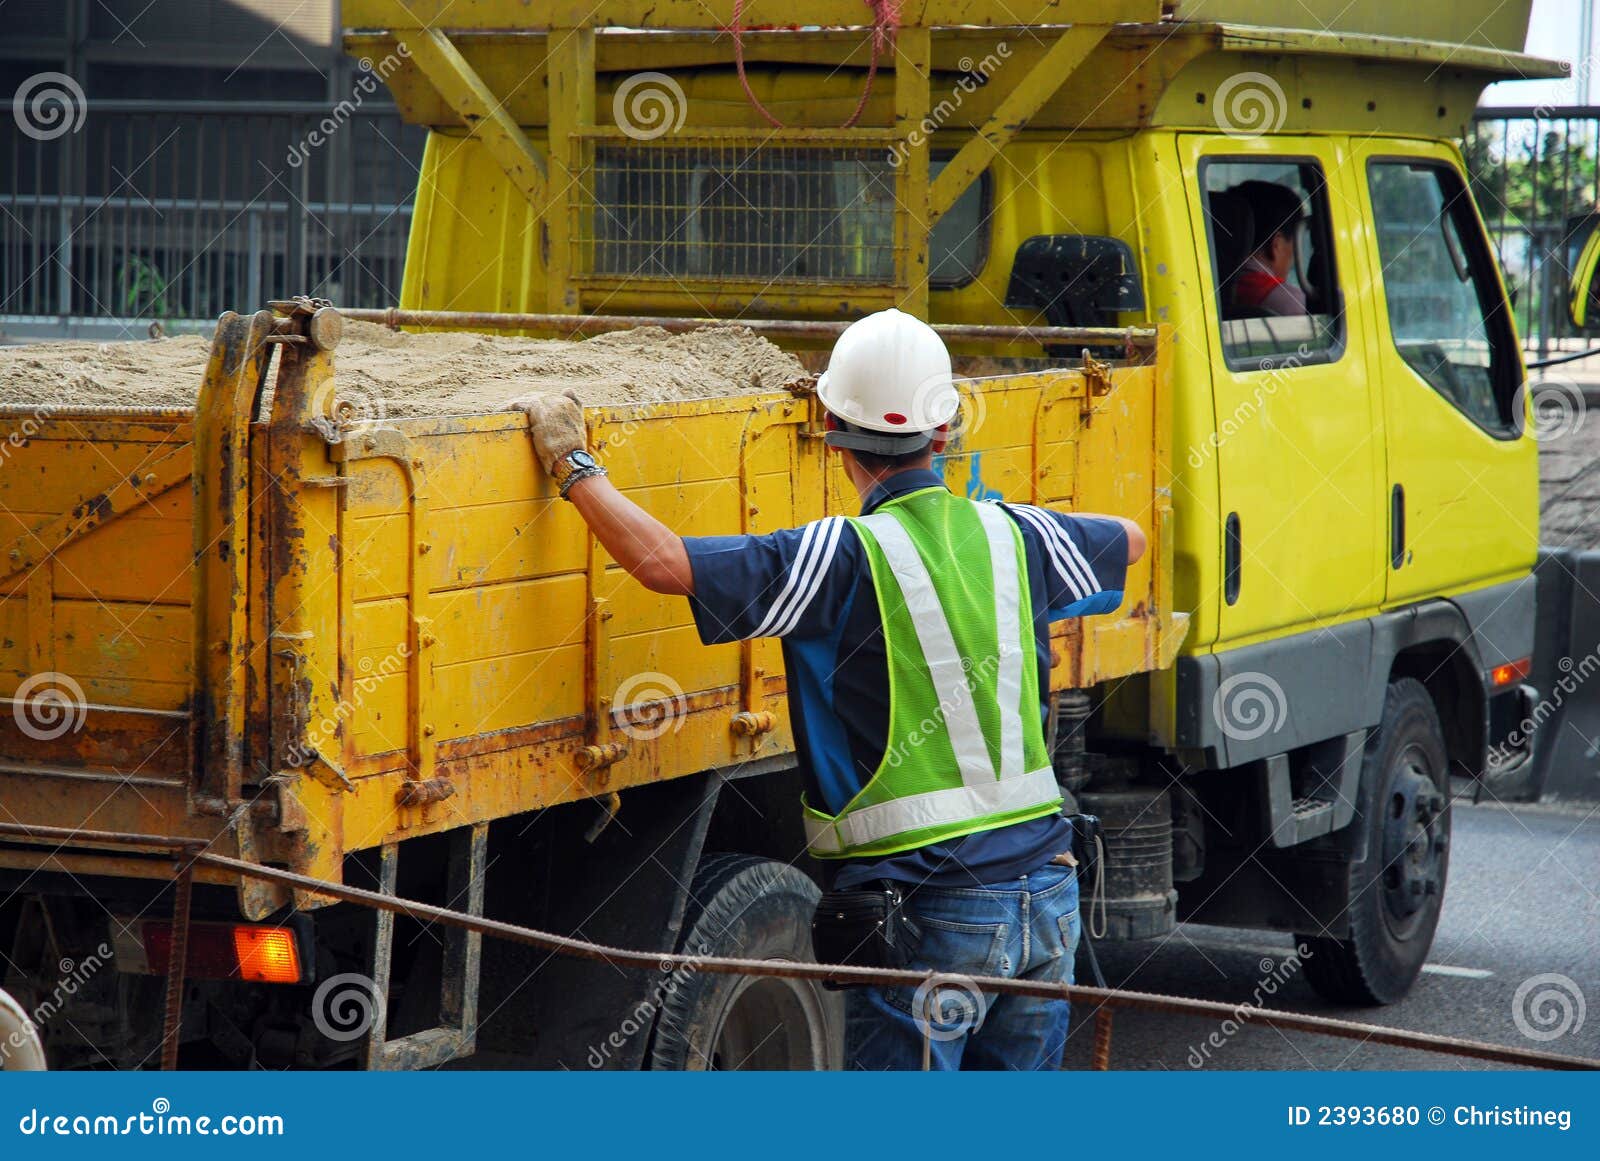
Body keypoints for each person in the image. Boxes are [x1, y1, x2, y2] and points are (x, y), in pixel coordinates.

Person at [514, 309, 1144, 1070]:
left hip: (932, 907)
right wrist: (1013, 519)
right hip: (1046, 897)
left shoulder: (836, 557)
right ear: (944, 432)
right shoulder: (1016, 536)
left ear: (831, 429)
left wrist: (574, 465)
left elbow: (664, 564)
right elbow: (1132, 539)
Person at [1228, 180, 1309, 317]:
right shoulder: (1291, 303)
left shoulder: (1208, 287)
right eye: (1293, 247)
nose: (1293, 261)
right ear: (1276, 245)